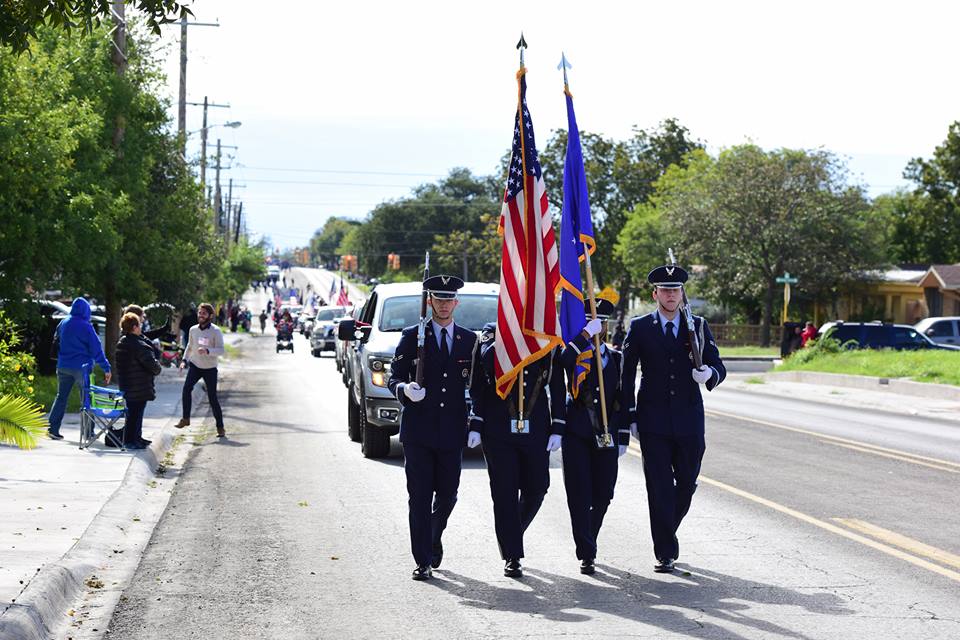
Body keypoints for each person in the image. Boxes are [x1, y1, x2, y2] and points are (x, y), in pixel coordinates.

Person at [620, 264, 726, 574]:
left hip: (689, 421)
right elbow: (626, 375)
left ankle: (667, 529)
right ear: (655, 294)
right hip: (653, 421)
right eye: (665, 290)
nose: (670, 295)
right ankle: (665, 550)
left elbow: (717, 365)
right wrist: (629, 417)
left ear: (682, 294)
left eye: (675, 290)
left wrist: (709, 374)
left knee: (686, 484)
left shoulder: (699, 326)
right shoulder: (640, 328)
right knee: (659, 487)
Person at [387, 275, 477, 581]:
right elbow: (393, 377)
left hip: (452, 432)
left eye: (448, 299)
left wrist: (476, 423)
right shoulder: (413, 336)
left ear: (456, 302)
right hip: (419, 432)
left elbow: (476, 386)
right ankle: (422, 559)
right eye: (437, 299)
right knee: (420, 497)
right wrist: (405, 390)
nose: (443, 305)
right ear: (430, 302)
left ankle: (433, 534)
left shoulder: (469, 340)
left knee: (448, 495)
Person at [468, 324, 566, 578]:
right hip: (498, 427)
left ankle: (512, 533)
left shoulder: (545, 332)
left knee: (537, 487)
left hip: (536, 426)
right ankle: (512, 554)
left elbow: (556, 383)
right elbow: (483, 370)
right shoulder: (492, 331)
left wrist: (558, 425)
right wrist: (510, 336)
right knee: (504, 492)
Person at [559, 298, 630, 575]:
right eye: (592, 320)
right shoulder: (575, 352)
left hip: (607, 435)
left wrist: (623, 435)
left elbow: (623, 399)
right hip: (576, 433)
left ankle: (589, 534)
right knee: (579, 493)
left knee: (604, 493)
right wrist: (584, 334)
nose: (598, 326)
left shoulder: (617, 358)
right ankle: (586, 551)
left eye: (601, 322)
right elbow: (563, 360)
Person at [47, 297, 112, 440]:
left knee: (61, 397)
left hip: (63, 366)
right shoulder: (86, 326)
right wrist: (106, 368)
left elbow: (57, 341)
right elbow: (97, 350)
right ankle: (88, 433)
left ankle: (52, 428)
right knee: (87, 399)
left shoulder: (63, 323)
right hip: (81, 368)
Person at [176, 303, 226, 438]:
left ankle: (220, 427)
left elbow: (221, 350)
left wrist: (207, 350)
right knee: (186, 389)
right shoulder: (193, 330)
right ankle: (185, 418)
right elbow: (189, 346)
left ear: (210, 316)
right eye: (199, 313)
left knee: (212, 398)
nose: (200, 315)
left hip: (210, 368)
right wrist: (184, 361)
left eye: (204, 313)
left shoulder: (215, 331)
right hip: (195, 366)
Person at [114, 312, 161, 449]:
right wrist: (157, 365)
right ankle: (131, 440)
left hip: (127, 384)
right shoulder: (138, 345)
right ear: (134, 327)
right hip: (139, 385)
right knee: (136, 413)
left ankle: (137, 437)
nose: (141, 328)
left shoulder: (122, 342)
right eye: (139, 325)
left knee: (134, 412)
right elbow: (153, 366)